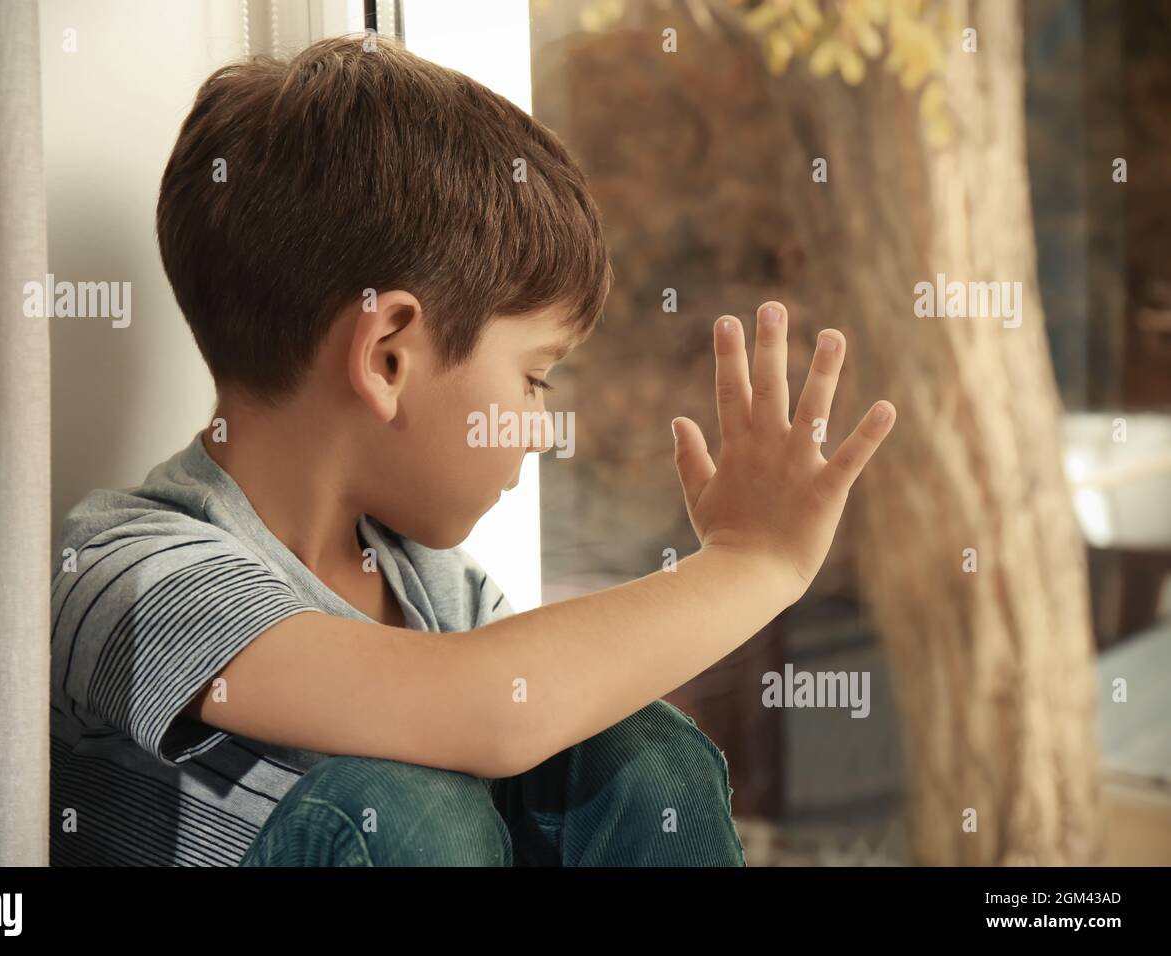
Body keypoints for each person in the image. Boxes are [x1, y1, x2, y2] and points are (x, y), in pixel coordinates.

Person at [49, 34, 895, 867]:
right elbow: (492, 711)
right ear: (388, 356)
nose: (538, 428)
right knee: (406, 810)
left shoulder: (427, 585)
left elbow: (530, 696)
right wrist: (755, 563)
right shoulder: (132, 571)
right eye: (536, 380)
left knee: (641, 756)